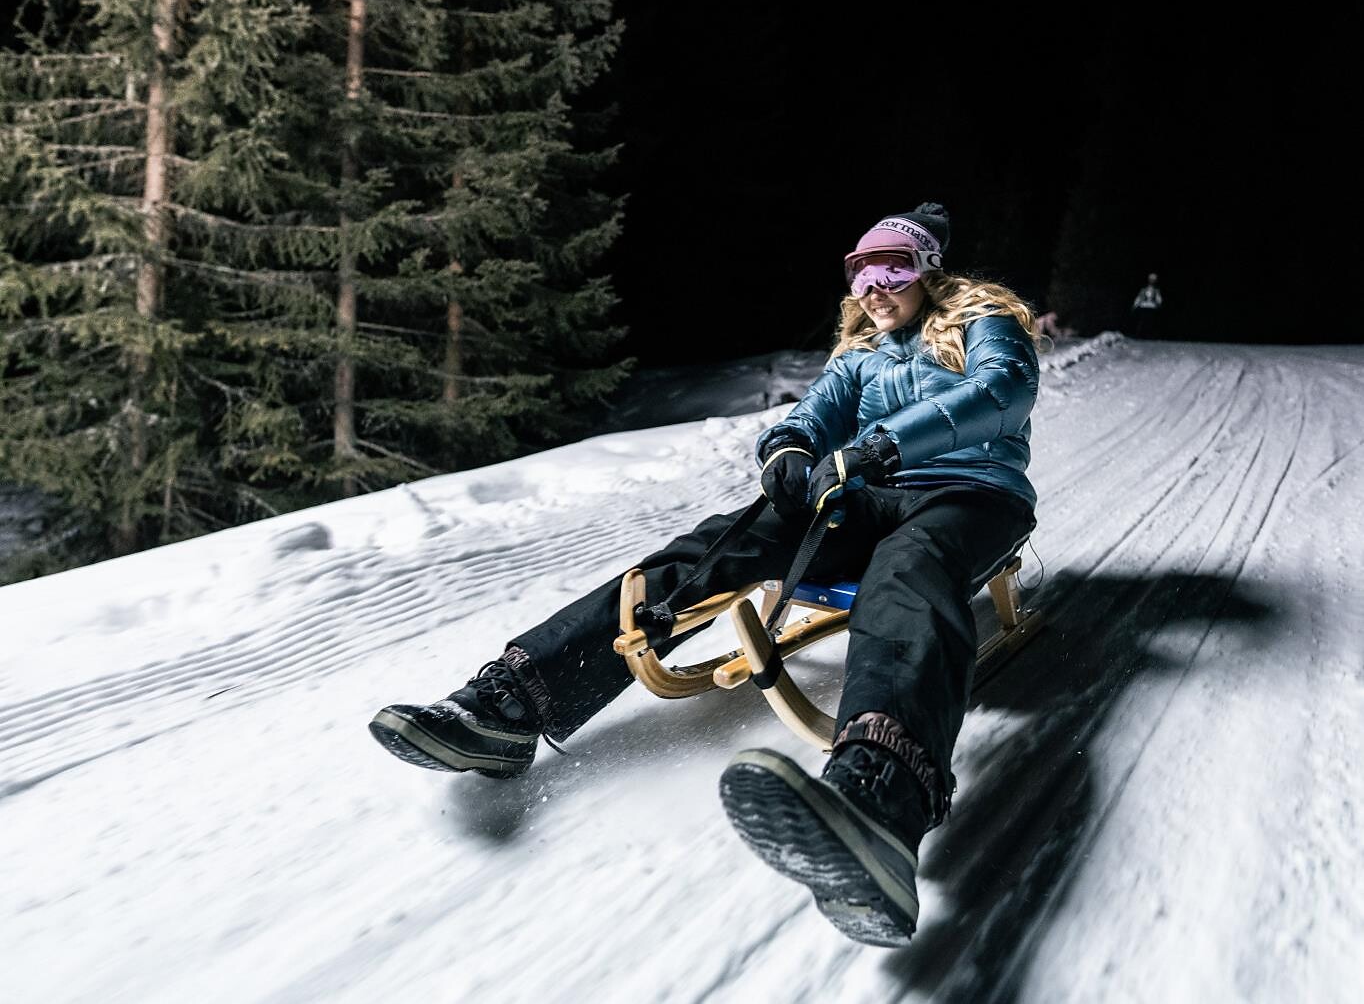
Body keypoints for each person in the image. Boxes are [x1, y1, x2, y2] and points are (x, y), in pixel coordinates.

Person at [369, 202, 1041, 948]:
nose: (875, 285)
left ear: (928, 271)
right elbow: (810, 417)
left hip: (970, 492)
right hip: (865, 488)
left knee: (907, 572)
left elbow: (1001, 393)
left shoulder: (983, 320)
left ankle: (881, 801)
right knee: (721, 542)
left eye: (894, 267)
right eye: (860, 270)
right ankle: (509, 703)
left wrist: (885, 441)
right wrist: (788, 449)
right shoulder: (860, 356)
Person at [1129, 272, 1163, 337]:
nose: (1152, 281)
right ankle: (1140, 334)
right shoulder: (1143, 290)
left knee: (1151, 321)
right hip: (1144, 306)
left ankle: (1151, 334)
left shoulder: (1156, 290)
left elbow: (1159, 299)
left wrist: (1158, 304)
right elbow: (1139, 298)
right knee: (1142, 321)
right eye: (1151, 279)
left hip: (1152, 307)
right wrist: (1135, 305)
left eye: (1154, 280)